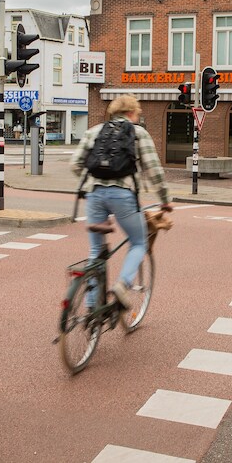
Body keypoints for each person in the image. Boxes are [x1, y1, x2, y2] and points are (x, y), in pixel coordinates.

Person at [70, 95, 172, 309]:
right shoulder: (138, 133)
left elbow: (76, 164)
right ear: (132, 113)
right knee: (139, 241)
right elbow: (154, 171)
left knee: (95, 251)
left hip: (94, 195)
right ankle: (123, 285)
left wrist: (92, 182)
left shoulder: (94, 131)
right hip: (123, 195)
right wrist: (165, 200)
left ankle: (91, 308)